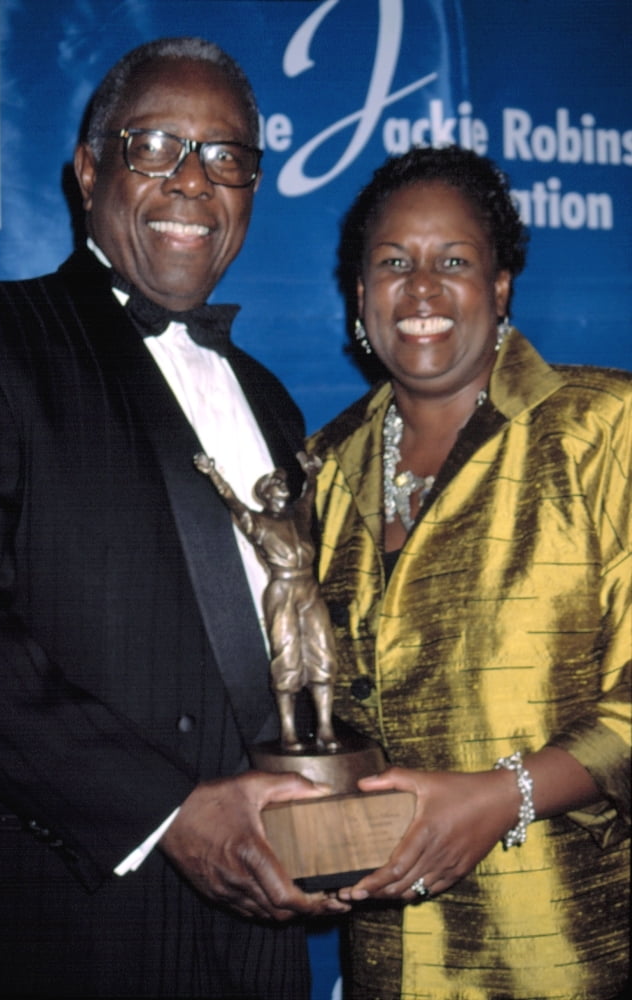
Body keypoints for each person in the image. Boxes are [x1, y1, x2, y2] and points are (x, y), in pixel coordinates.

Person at [0, 37, 347, 999]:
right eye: (156, 147)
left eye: (227, 158)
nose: (193, 182)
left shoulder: (271, 401)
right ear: (90, 169)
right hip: (66, 922)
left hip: (261, 933)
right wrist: (170, 812)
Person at [308, 145, 630, 1000]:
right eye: (392, 263)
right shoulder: (322, 473)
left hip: (567, 954)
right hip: (383, 959)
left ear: (500, 288)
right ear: (358, 297)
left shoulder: (604, 431)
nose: (420, 289)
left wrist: (505, 795)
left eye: (453, 260)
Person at [195, 450, 338, 753]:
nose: (282, 484)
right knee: (286, 655)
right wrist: (212, 473)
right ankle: (288, 732)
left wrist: (311, 473)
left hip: (309, 587)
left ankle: (325, 728)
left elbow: (309, 493)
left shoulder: (299, 513)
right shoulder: (256, 522)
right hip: (282, 589)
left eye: (283, 480)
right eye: (276, 482)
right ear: (265, 493)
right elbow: (230, 499)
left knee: (323, 652)